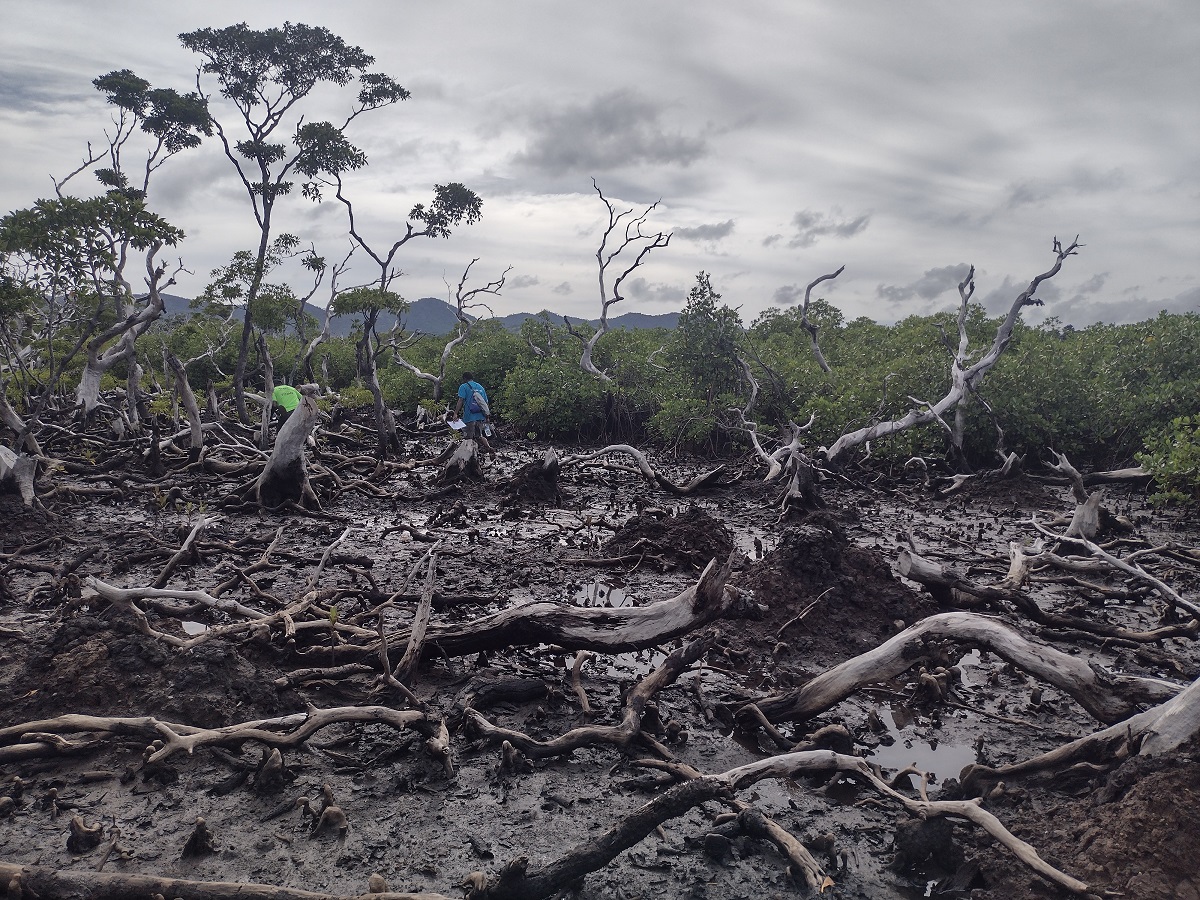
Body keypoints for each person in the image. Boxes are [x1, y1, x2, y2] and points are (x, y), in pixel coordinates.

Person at [453, 372, 495, 456]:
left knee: (468, 437)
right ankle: (489, 448)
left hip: (469, 416)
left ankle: (469, 456)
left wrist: (455, 413)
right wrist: (487, 416)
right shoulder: (480, 387)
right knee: (478, 435)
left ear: (464, 378)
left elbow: (460, 400)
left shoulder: (463, 386)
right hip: (480, 416)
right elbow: (485, 402)